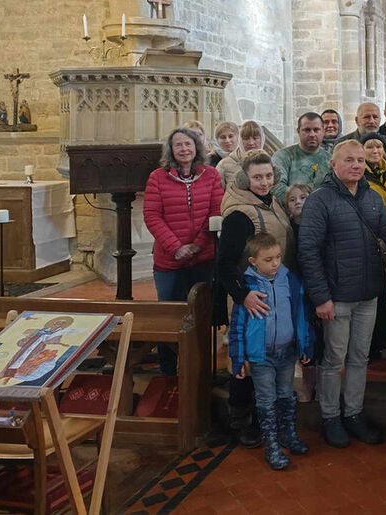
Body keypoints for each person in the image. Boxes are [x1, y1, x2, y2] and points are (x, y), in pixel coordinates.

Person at [297, 139, 386, 448]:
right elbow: (308, 252)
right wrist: (320, 297)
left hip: (369, 294)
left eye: (360, 160)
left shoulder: (371, 198)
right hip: (336, 296)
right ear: (334, 164)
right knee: (333, 359)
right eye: (349, 160)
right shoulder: (320, 201)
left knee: (360, 357)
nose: (356, 165)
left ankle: (353, 414)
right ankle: (331, 416)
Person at [216, 150, 297, 447]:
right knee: (247, 360)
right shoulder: (240, 213)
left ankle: (268, 417)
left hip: (273, 293)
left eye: (268, 176)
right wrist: (243, 295)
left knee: (267, 357)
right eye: (257, 177)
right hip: (250, 297)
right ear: (245, 179)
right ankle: (240, 420)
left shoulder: (269, 201)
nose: (264, 182)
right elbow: (224, 262)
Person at [228, 233, 314, 470]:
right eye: (268, 259)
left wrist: (305, 344)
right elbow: (237, 326)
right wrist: (238, 358)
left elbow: (302, 316)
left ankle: (288, 435)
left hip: (287, 353)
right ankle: (272, 445)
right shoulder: (246, 287)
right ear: (253, 261)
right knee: (267, 400)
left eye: (278, 257)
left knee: (287, 395)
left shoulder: (290, 279)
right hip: (261, 356)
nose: (275, 263)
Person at [144, 128, 223, 376]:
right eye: (178, 145)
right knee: (169, 315)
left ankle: (199, 370)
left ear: (196, 147)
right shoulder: (157, 177)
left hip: (203, 258)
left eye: (188, 144)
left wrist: (198, 244)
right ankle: (168, 371)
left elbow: (216, 211)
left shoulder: (210, 175)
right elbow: (152, 216)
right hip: (169, 260)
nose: (184, 149)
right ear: (171, 150)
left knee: (201, 315)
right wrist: (176, 248)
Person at [361, 131, 386, 359]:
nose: (375, 151)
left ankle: (383, 338)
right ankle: (372, 341)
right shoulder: (360, 175)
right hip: (368, 241)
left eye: (378, 147)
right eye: (369, 148)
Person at [273, 112, 331, 200]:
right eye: (307, 130)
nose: (312, 134)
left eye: (316, 130)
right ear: (298, 131)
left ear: (323, 131)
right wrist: (304, 201)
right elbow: (277, 187)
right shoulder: (282, 157)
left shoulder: (330, 159)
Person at [216, 120, 267, 187]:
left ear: (262, 139)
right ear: (240, 140)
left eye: (255, 138)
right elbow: (217, 193)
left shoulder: (269, 162)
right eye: (246, 139)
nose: (251, 143)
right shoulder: (224, 165)